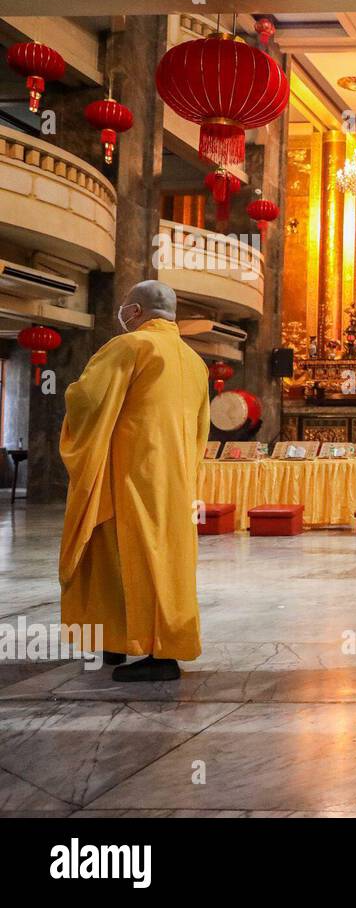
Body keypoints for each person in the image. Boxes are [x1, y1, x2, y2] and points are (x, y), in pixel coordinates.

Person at [60, 281, 209, 683]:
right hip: (174, 482)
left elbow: (87, 401)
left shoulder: (131, 347)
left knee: (128, 560)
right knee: (163, 561)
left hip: (128, 477)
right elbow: (201, 429)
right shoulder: (195, 361)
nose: (123, 314)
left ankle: (159, 654)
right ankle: (121, 639)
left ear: (138, 311)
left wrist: (71, 395)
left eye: (125, 307)